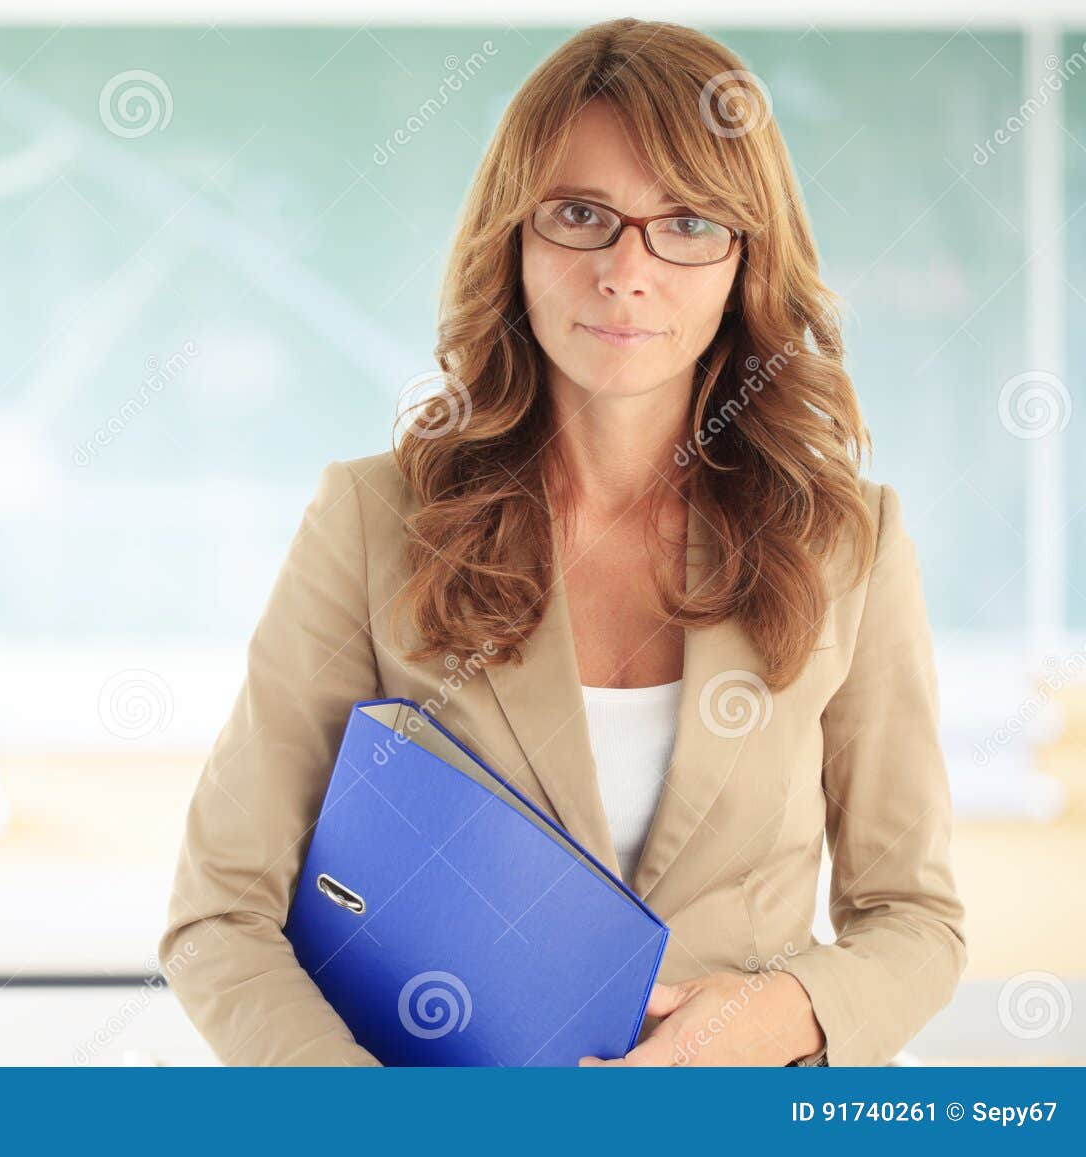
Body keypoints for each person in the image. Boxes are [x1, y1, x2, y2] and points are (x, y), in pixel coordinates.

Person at [157, 17, 966, 1066]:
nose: (627, 272)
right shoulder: (371, 522)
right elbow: (220, 914)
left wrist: (784, 1013)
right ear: (514, 236)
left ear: (743, 258)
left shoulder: (846, 543)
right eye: (581, 214)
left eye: (686, 222)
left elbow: (913, 919)